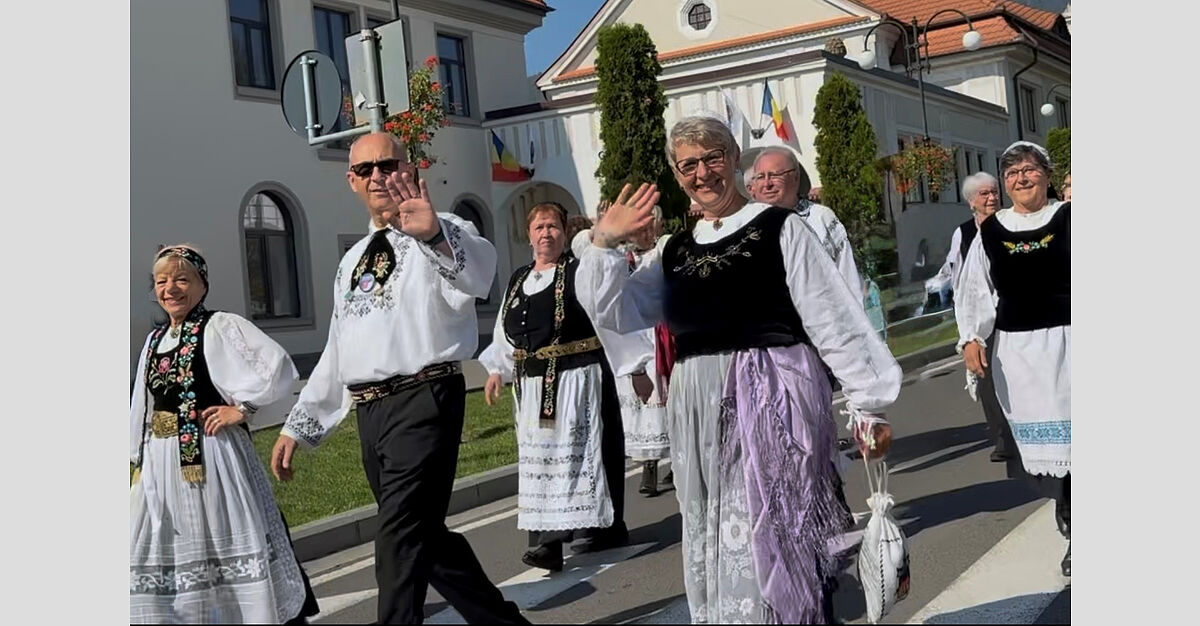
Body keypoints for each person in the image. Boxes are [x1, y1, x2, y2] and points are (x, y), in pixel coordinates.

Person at [578, 116, 902, 623]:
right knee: (715, 527)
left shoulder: (780, 227)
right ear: (676, 174)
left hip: (773, 395)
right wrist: (604, 242)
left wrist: (869, 405)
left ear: (733, 160)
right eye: (689, 165)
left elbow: (833, 316)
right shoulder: (673, 252)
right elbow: (611, 310)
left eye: (712, 158)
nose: (703, 173)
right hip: (696, 410)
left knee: (776, 527)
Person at [270, 133, 526, 625]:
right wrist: (298, 424)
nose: (377, 177)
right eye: (364, 170)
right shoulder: (352, 260)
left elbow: (479, 274)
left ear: (407, 167)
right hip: (373, 412)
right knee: (425, 539)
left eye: (386, 165)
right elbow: (341, 349)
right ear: (352, 181)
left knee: (396, 539)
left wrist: (431, 234)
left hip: (425, 399)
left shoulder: (444, 228)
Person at [130, 245, 319, 624]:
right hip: (162, 464)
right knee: (158, 549)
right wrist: (136, 459)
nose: (171, 289)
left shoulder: (218, 327)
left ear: (202, 285)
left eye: (183, 279)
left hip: (214, 455)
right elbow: (142, 407)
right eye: (162, 282)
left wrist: (243, 409)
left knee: (222, 535)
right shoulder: (153, 343)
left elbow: (277, 367)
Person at [480, 201, 628, 572]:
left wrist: (635, 366)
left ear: (565, 232)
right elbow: (503, 330)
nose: (546, 233)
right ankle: (547, 539)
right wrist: (497, 369)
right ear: (528, 235)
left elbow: (608, 310)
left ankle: (596, 526)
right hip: (532, 387)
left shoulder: (578, 272)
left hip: (579, 378)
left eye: (553, 227)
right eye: (539, 227)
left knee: (584, 455)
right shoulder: (518, 279)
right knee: (540, 462)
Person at [955, 141, 1071, 577]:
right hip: (1019, 350)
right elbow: (975, 290)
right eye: (1012, 172)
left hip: (1073, 341)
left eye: (1030, 169)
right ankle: (1068, 512)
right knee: (1053, 448)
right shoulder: (991, 231)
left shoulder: (1070, 217)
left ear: (1046, 174)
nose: (1021, 178)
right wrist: (972, 338)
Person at [572, 207, 671, 498]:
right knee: (640, 410)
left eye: (649, 227)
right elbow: (581, 246)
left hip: (662, 340)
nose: (643, 234)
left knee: (666, 403)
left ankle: (674, 462)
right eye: (638, 228)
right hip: (630, 340)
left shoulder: (664, 250)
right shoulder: (619, 257)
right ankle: (648, 465)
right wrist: (604, 229)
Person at [745, 146, 862, 295]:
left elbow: (847, 275)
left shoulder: (820, 217)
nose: (767, 184)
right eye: (760, 177)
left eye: (775, 175)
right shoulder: (744, 224)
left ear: (795, 178)